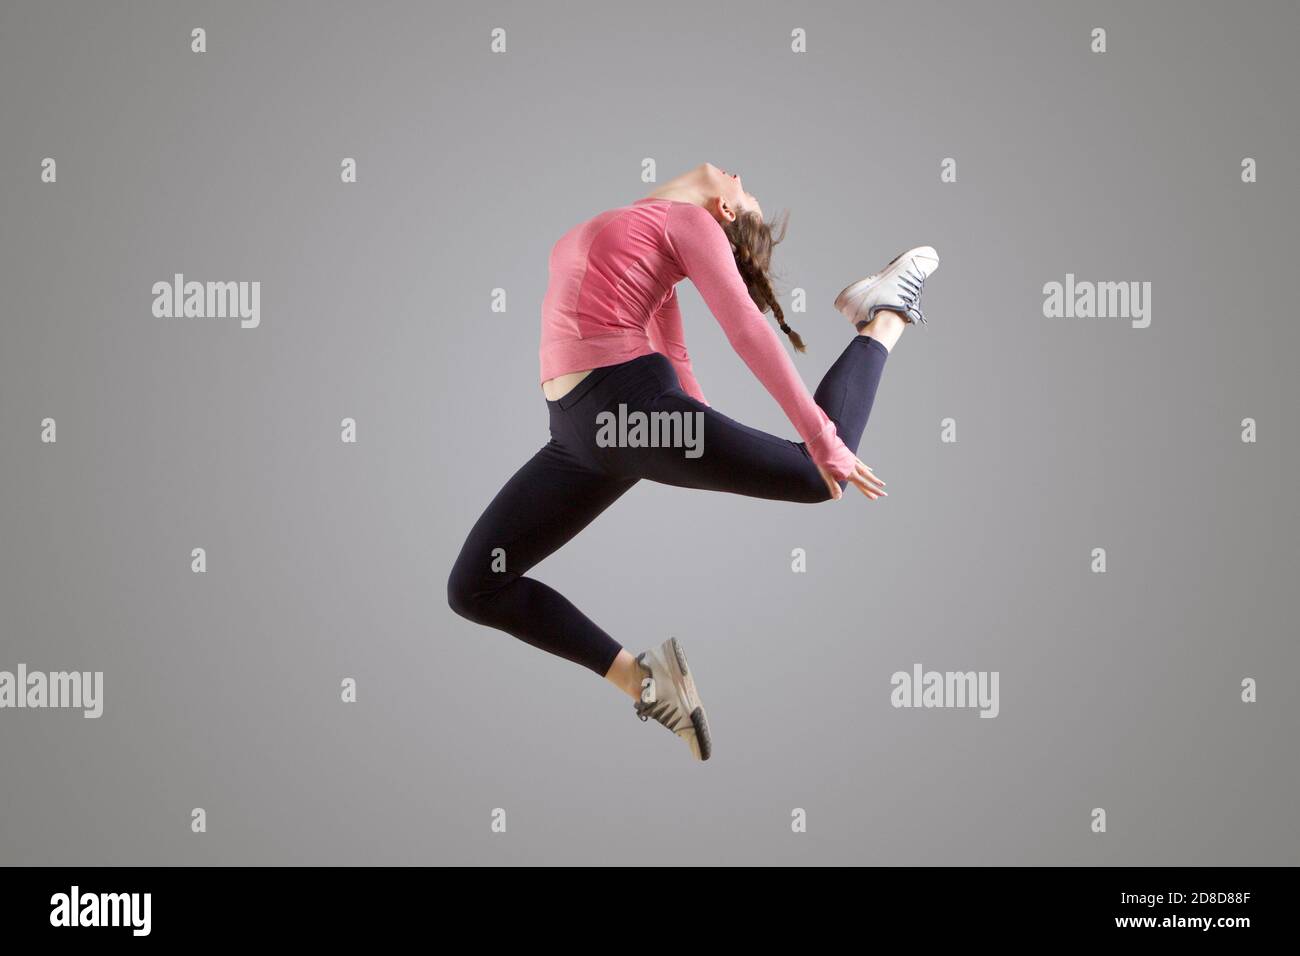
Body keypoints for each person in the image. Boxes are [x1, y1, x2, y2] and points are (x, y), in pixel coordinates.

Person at [448, 162, 939, 761]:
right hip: (578, 438)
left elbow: (745, 329)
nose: (741, 179)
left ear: (725, 213)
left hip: (628, 412)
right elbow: (675, 351)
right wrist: (707, 441)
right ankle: (650, 686)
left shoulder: (691, 223)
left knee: (819, 474)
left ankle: (885, 316)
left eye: (745, 192)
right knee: (473, 589)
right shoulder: (641, 222)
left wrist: (820, 439)